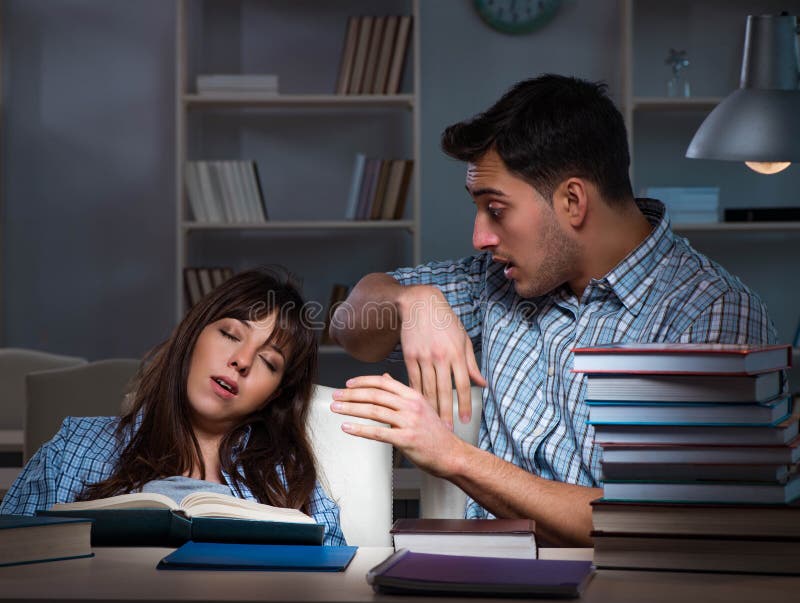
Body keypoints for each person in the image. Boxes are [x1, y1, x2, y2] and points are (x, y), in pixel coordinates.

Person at [327, 74, 777, 546]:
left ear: (572, 201)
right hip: (477, 571)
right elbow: (347, 327)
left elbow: (665, 524)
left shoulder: (713, 315)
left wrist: (454, 457)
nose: (479, 237)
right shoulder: (496, 280)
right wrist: (411, 300)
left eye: (496, 209)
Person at [1, 268, 346, 546]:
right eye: (230, 334)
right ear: (193, 333)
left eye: (268, 362)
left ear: (274, 395)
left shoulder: (290, 478)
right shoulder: (73, 447)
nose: (241, 361)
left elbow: (333, 580)